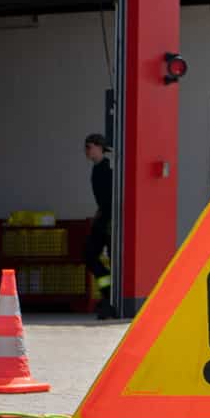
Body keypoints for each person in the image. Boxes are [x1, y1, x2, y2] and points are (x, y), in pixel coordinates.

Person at [83, 133, 114, 319]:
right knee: (89, 255)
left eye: (89, 147)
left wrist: (107, 218)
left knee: (109, 258)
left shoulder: (107, 169)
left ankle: (110, 297)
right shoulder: (97, 169)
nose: (86, 151)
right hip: (103, 218)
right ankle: (108, 292)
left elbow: (111, 198)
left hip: (109, 220)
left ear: (99, 147)